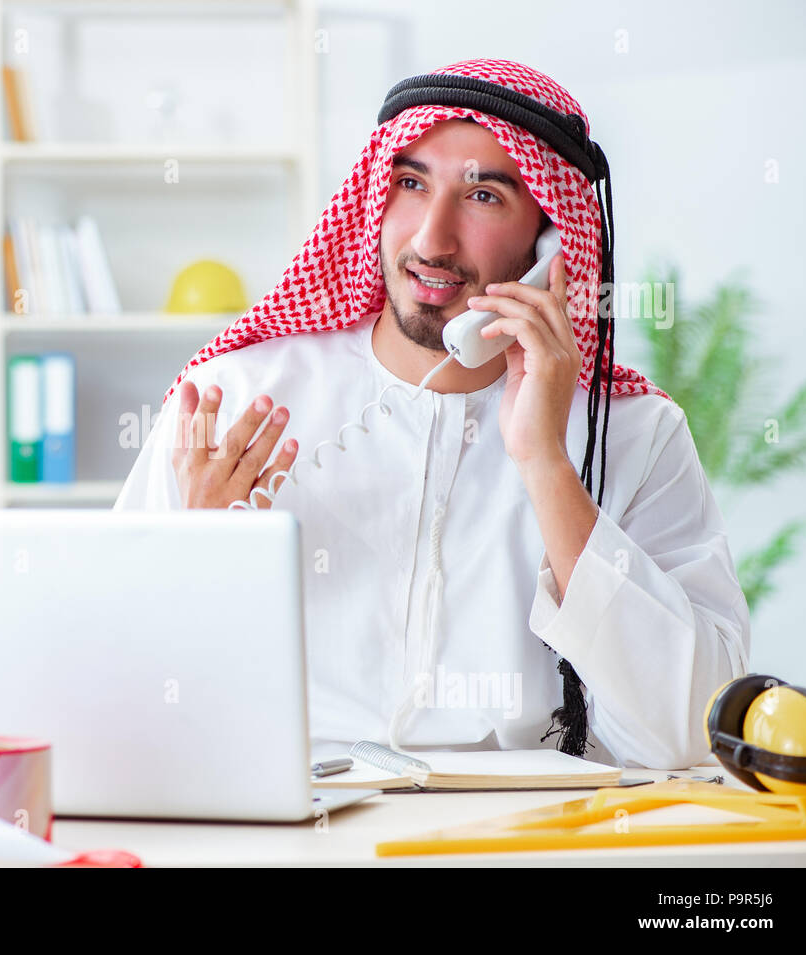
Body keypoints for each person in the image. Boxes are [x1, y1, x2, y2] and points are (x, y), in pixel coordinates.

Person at [112, 58, 750, 769]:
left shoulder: (633, 434)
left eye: (483, 195)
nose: (431, 239)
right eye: (411, 184)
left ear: (551, 240)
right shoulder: (229, 401)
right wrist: (193, 553)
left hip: (524, 838)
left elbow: (693, 731)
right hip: (294, 822)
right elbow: (117, 682)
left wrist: (546, 463)